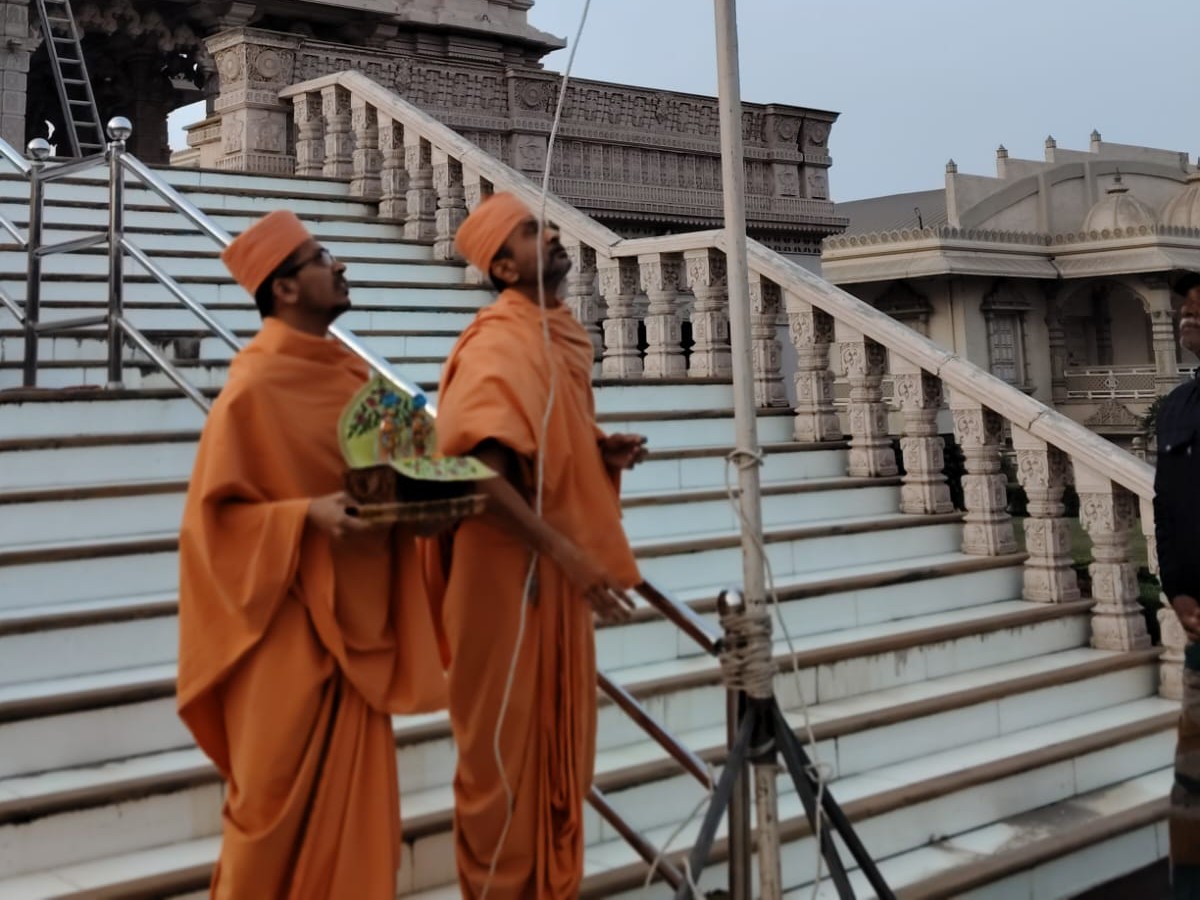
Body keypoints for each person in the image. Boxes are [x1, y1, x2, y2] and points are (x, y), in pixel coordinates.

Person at [176, 210, 448, 899]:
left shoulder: (360, 382)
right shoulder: (252, 390)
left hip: (356, 628)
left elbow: (392, 481)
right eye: (323, 257)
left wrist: (422, 501)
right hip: (282, 636)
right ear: (287, 289)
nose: (342, 267)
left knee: (358, 837)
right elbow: (213, 528)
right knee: (269, 821)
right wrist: (306, 517)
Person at [428, 192, 648, 898]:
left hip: (547, 573)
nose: (552, 235)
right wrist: (572, 558)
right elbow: (477, 474)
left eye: (548, 224)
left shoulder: (561, 335)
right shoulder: (497, 342)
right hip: (505, 577)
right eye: (530, 231)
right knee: (503, 761)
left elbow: (538, 444)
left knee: (557, 754)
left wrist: (595, 451)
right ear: (500, 266)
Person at [1156, 270, 1200, 899]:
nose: (1188, 315)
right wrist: (1179, 593)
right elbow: (1169, 506)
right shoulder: (1176, 408)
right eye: (1186, 307)